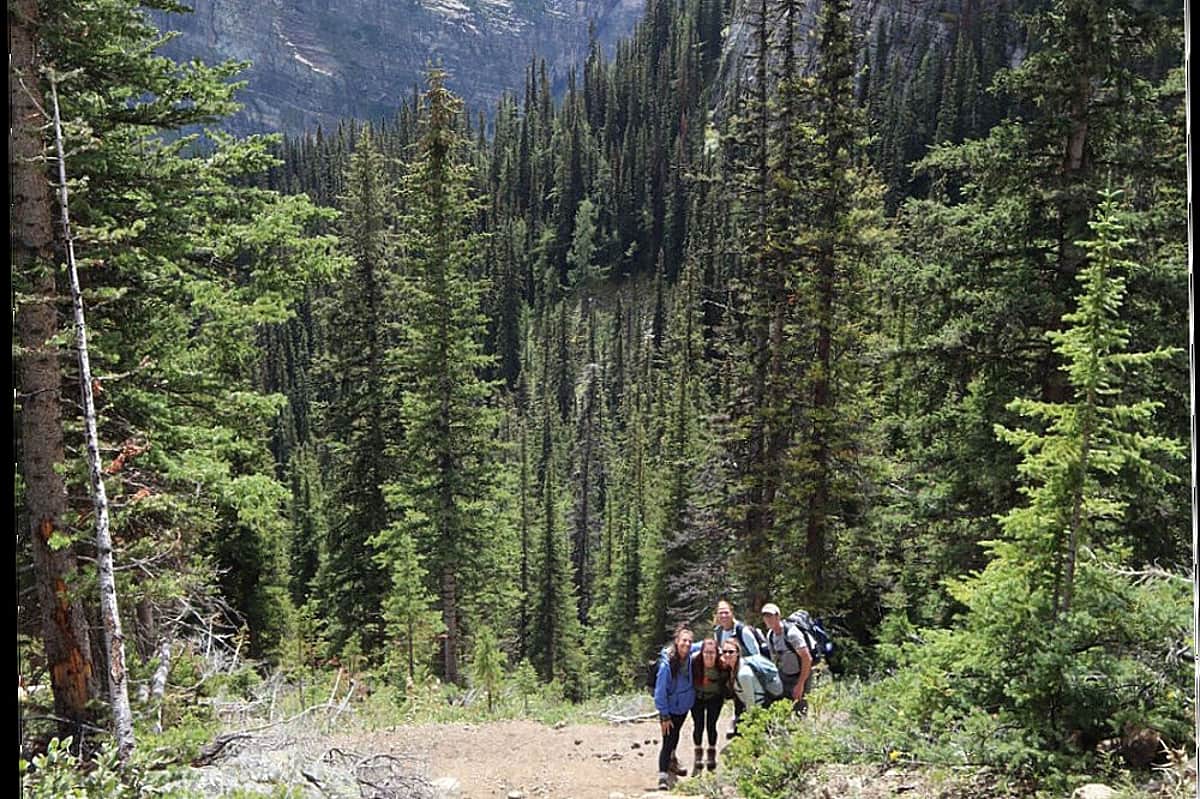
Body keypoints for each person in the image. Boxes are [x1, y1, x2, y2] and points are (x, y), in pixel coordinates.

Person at [653, 624, 696, 790]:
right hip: (669, 710)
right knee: (667, 740)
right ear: (677, 641)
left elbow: (706, 645)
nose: (687, 644)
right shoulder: (667, 665)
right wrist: (664, 715)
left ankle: (672, 762)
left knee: (675, 734)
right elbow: (660, 692)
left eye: (689, 641)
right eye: (684, 641)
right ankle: (662, 777)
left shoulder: (690, 656)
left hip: (683, 707)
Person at [712, 599, 759, 738]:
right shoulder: (718, 632)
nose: (723, 616)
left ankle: (753, 728)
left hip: (747, 673)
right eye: (721, 613)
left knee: (750, 701)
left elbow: (756, 654)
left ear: (732, 613)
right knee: (738, 700)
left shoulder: (742, 631)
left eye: (726, 612)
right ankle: (739, 726)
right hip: (732, 673)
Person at [760, 603, 812, 713]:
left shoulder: (792, 634)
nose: (768, 619)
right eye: (765, 616)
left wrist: (800, 684)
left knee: (799, 711)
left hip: (800, 675)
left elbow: (807, 659)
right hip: (785, 675)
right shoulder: (770, 635)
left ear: (778, 616)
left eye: (770, 616)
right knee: (783, 710)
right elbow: (774, 659)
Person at [688, 638, 727, 773]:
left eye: (712, 653)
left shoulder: (722, 664)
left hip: (715, 698)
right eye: (706, 652)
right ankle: (698, 752)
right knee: (698, 725)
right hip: (697, 697)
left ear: (716, 653)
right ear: (702, 652)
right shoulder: (694, 661)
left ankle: (711, 752)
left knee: (711, 725)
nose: (709, 655)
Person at [719, 639, 767, 735]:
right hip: (751, 708)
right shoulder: (733, 668)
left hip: (759, 710)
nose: (727, 654)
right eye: (724, 652)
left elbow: (750, 700)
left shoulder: (743, 674)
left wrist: (751, 722)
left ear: (737, 653)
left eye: (731, 652)